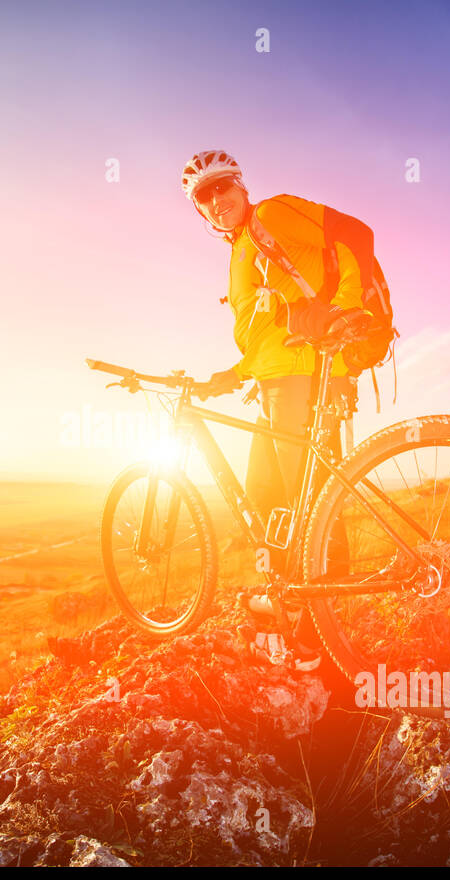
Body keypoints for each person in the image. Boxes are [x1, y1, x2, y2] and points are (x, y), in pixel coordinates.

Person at [183, 149, 367, 671]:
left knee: (311, 504)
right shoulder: (241, 247)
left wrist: (347, 309)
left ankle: (319, 633)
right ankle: (289, 606)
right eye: (205, 197)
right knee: (265, 498)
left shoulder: (274, 214)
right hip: (271, 383)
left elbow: (352, 237)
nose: (217, 201)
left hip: (300, 379)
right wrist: (231, 375)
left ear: (241, 186)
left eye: (223, 188)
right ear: (200, 211)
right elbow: (267, 334)